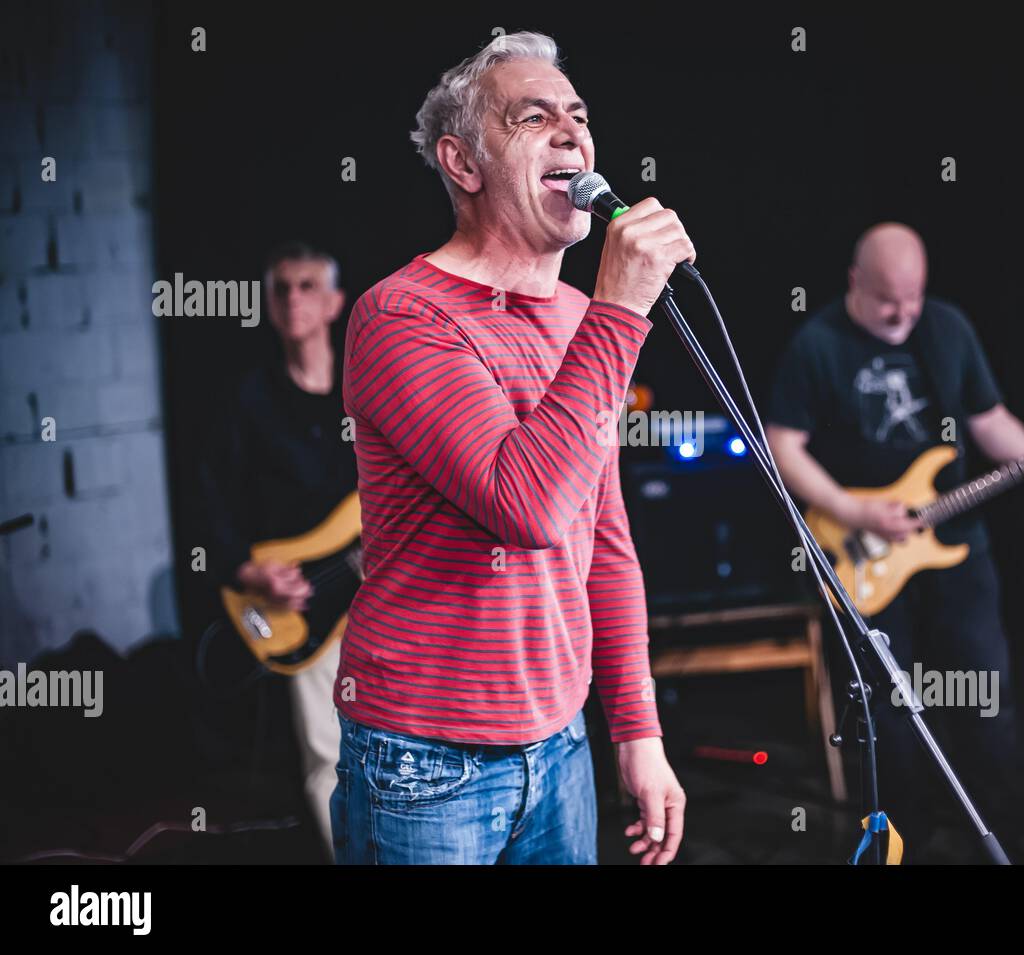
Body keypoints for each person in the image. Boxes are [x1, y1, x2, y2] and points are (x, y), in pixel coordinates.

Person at [330, 31, 690, 865]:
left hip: (560, 744)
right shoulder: (401, 317)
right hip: (426, 759)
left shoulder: (579, 316)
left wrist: (636, 731)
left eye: (578, 116)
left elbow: (603, 541)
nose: (572, 133)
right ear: (463, 163)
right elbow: (526, 507)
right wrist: (622, 311)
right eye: (534, 118)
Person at [766, 222, 1024, 862]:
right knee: (889, 715)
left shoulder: (948, 329)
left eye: (912, 298)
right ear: (855, 281)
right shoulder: (817, 344)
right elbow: (782, 445)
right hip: (862, 548)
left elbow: (989, 420)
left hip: (955, 545)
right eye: (887, 300)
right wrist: (854, 508)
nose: (904, 313)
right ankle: (899, 844)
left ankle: (998, 845)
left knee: (985, 696)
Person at [198, 241, 354, 861]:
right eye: (281, 288)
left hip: (389, 603)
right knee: (326, 755)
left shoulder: (369, 387)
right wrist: (249, 570)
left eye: (308, 285)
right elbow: (211, 501)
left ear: (336, 302)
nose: (293, 299)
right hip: (300, 609)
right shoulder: (249, 401)